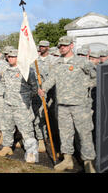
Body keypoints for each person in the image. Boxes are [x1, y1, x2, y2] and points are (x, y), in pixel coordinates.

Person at [38, 36, 96, 173]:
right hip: (62, 105)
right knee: (65, 134)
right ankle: (67, 159)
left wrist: (85, 86)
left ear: (71, 46)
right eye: (60, 46)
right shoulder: (57, 63)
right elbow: (51, 79)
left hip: (80, 105)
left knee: (84, 133)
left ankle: (88, 162)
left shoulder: (82, 62)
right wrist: (43, 88)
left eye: (65, 45)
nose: (62, 48)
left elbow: (96, 77)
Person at [0, 49, 38, 164]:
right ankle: (7, 147)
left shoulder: (27, 70)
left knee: (26, 129)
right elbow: (3, 83)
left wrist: (25, 97)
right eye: (9, 57)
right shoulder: (5, 70)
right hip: (8, 103)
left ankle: (31, 152)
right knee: (7, 127)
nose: (11, 58)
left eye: (13, 57)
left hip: (22, 105)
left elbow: (34, 88)